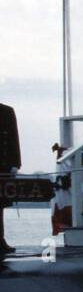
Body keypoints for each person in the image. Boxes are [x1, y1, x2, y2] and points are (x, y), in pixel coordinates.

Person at [0, 101, 19, 253]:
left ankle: (0, 240)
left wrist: (16, 163)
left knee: (0, 205)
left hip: (3, 166)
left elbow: (13, 137)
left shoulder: (6, 111)